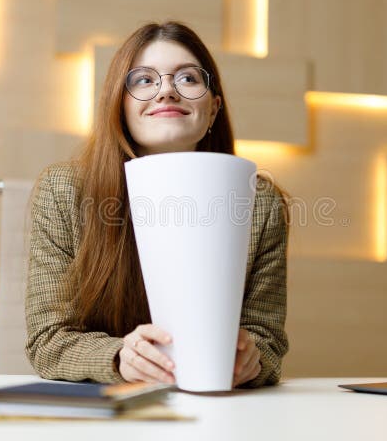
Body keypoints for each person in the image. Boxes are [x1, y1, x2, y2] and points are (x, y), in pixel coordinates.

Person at [25, 21, 288, 388]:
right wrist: (120, 357)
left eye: (187, 78)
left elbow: (268, 341)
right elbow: (48, 340)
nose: (166, 91)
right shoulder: (63, 191)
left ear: (213, 110)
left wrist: (252, 359)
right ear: (120, 106)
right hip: (108, 406)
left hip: (215, 405)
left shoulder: (261, 204)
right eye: (144, 80)